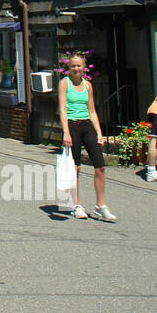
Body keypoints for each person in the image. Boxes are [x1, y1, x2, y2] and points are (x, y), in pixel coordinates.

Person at [57, 53, 115, 221]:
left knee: (100, 166)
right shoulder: (64, 84)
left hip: (86, 125)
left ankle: (100, 206)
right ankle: (76, 205)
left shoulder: (88, 85)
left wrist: (99, 132)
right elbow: (62, 109)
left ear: (84, 67)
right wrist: (66, 132)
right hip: (72, 125)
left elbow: (92, 111)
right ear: (69, 67)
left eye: (78, 66)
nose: (76, 69)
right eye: (73, 66)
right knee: (75, 167)